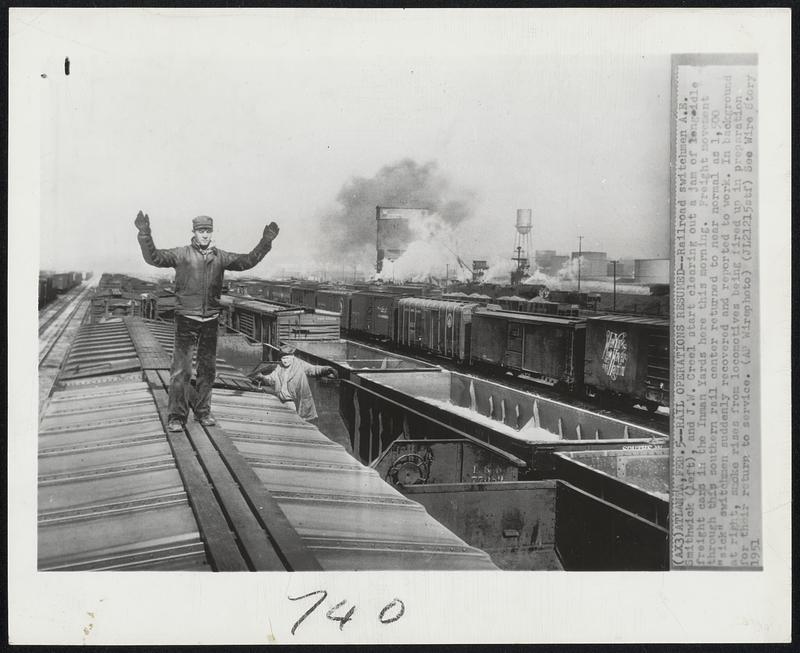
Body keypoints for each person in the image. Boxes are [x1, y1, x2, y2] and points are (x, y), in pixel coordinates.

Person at [135, 211, 279, 432]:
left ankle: (203, 412)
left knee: (208, 370)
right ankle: (176, 417)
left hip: (210, 320)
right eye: (201, 231)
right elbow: (153, 258)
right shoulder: (181, 254)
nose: (204, 235)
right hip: (186, 319)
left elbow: (248, 261)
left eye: (208, 231)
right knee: (181, 371)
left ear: (212, 233)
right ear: (193, 232)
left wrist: (266, 241)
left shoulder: (221, 257)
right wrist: (145, 233)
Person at [253, 344, 337, 422]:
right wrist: (262, 377)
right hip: (281, 401)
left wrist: (327, 369)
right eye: (283, 358)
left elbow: (313, 369)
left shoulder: (299, 365)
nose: (285, 361)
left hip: (295, 403)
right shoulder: (279, 367)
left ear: (292, 357)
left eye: (287, 358)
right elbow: (271, 379)